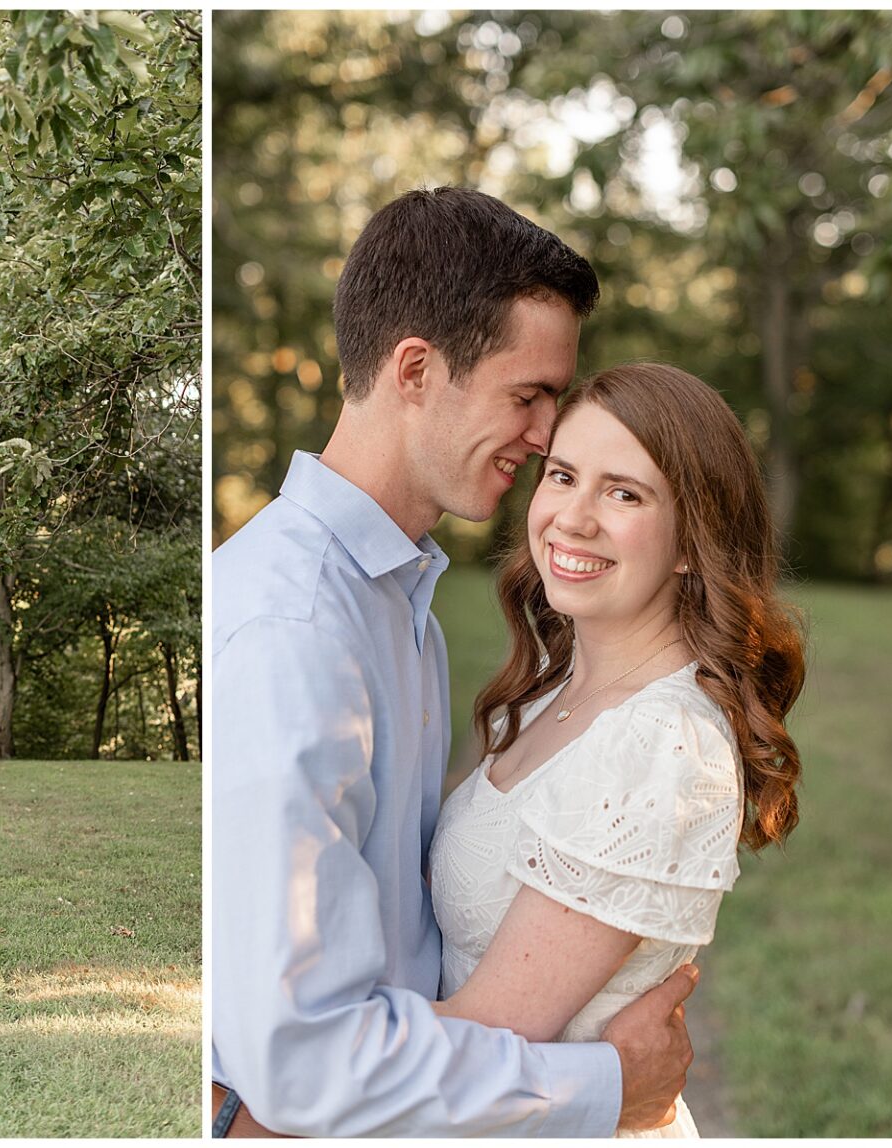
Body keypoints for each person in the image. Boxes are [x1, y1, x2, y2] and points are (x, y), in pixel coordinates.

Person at [213, 187, 697, 1137]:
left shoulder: (401, 608)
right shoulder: (296, 632)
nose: (548, 433)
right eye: (528, 395)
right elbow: (304, 1061)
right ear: (417, 369)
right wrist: (605, 1087)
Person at [428, 363, 806, 1138]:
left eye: (624, 493)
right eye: (563, 475)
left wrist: (283, 1052)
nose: (572, 517)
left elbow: (487, 1035)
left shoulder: (661, 744)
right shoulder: (550, 689)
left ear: (690, 545)